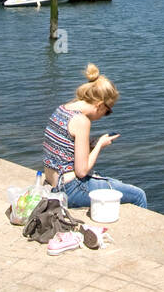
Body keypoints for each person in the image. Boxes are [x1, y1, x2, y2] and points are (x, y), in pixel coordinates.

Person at [42, 63, 147, 209]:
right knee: (138, 195)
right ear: (100, 105)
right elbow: (81, 171)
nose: (105, 116)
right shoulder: (82, 121)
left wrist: (89, 144)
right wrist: (99, 145)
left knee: (118, 184)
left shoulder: (61, 110)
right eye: (107, 111)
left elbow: (64, 152)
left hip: (52, 182)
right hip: (69, 189)